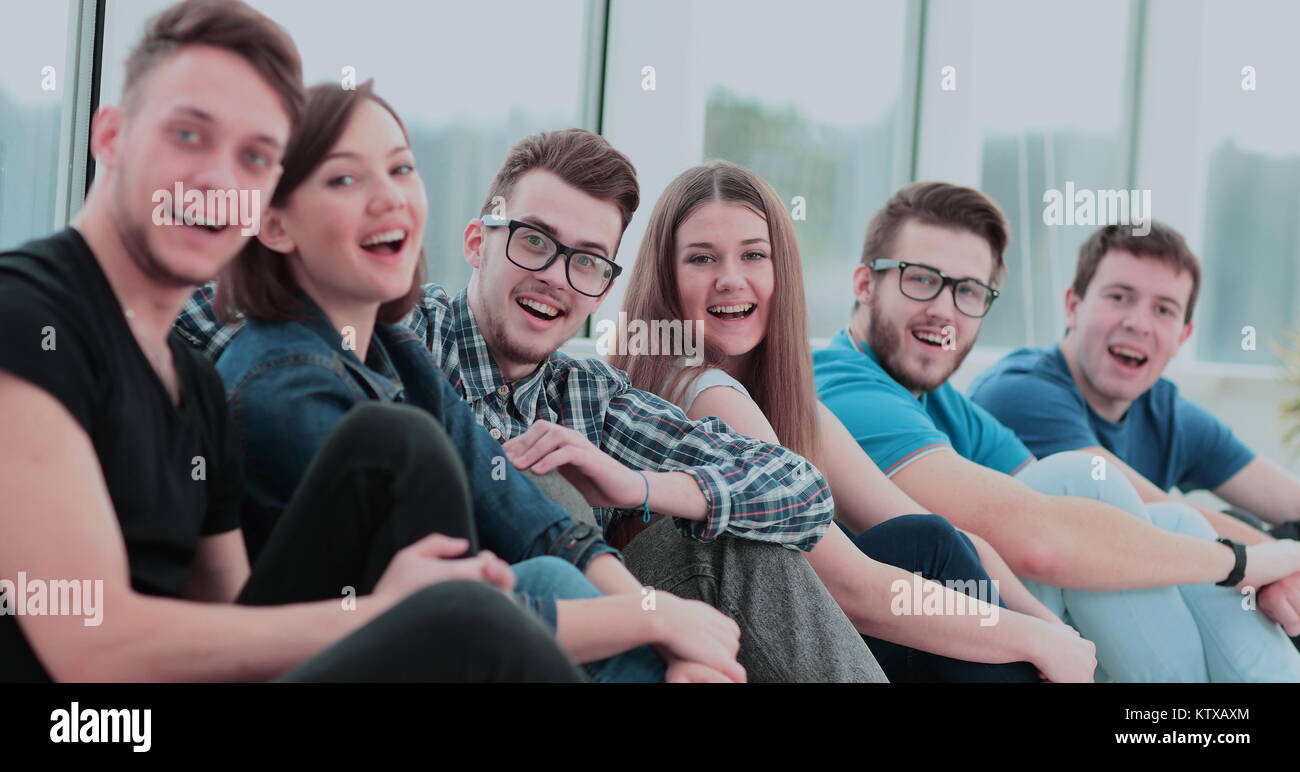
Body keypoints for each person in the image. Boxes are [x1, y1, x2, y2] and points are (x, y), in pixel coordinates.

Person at [0, 0, 582, 683]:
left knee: (396, 445)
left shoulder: (192, 380)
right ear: (110, 138)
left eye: (254, 157)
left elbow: (235, 625)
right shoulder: (27, 320)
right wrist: (390, 615)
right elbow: (90, 649)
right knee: (466, 619)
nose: (220, 179)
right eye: (188, 134)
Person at [180, 129, 888, 683]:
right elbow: (208, 313)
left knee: (737, 550)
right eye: (534, 242)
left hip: (557, 633)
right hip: (426, 635)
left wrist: (638, 486)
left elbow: (801, 492)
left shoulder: (590, 396)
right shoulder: (395, 336)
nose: (555, 277)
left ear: (603, 289)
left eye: (586, 260)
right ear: (476, 241)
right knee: (547, 524)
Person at [611, 161, 1098, 682]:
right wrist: (1038, 640)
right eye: (702, 258)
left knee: (928, 541)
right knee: (929, 554)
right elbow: (853, 589)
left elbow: (948, 536)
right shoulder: (702, 392)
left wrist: (1061, 638)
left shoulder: (782, 401)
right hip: (709, 643)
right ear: (667, 275)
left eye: (754, 254)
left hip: (770, 633)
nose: (731, 279)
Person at [811, 181, 1300, 682]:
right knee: (1083, 485)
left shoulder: (942, 403)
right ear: (866, 285)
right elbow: (1038, 538)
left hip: (1008, 621)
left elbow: (1115, 516)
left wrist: (1272, 563)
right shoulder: (839, 385)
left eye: (968, 291)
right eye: (920, 280)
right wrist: (1243, 562)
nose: (945, 308)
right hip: (915, 644)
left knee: (1174, 522)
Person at [967, 221, 1300, 637]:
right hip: (1035, 637)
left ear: (1183, 335)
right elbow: (1171, 521)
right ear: (1073, 305)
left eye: (1163, 309)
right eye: (1119, 297)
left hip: (1125, 633)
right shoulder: (1019, 393)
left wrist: (1284, 560)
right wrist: (1279, 565)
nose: (1139, 323)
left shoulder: (1166, 410)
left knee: (1259, 526)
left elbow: (1287, 498)